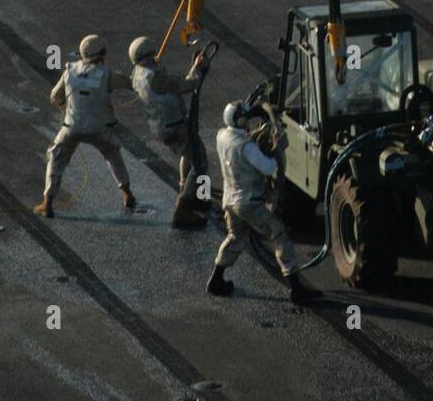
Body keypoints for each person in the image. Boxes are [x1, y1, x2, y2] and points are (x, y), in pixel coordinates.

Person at [206, 101, 321, 305]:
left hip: (230, 201)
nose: (247, 120)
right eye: (245, 117)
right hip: (249, 203)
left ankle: (216, 279)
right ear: (240, 119)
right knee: (279, 234)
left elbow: (241, 144)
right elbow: (268, 168)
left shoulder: (222, 136)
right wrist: (276, 148)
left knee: (235, 238)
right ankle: (296, 288)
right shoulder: (246, 146)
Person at [34, 35, 135, 218]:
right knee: (113, 155)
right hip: (100, 128)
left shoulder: (69, 70)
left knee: (56, 158)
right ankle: (128, 194)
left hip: (71, 127)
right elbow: (131, 84)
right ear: (102, 54)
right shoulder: (106, 74)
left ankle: (47, 202)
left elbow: (55, 97)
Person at [128, 36, 210, 230]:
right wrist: (197, 68)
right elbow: (186, 85)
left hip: (162, 126)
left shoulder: (138, 74)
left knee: (188, 155)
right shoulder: (155, 77)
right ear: (148, 55)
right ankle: (183, 208)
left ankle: (191, 194)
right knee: (200, 163)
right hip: (175, 126)